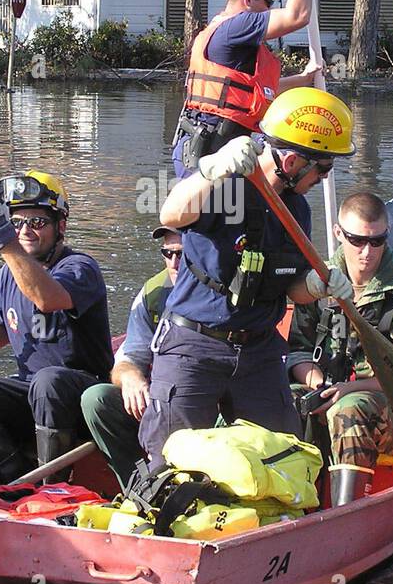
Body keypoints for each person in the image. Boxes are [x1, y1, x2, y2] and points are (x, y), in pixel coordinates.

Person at [139, 87, 357, 462]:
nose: (324, 176)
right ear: (292, 163)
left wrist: (316, 286)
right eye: (323, 167)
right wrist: (209, 171)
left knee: (284, 458)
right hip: (195, 346)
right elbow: (171, 215)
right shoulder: (225, 188)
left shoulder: (297, 211)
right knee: (171, 462)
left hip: (258, 349)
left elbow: (292, 287)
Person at [0, 171, 113, 483]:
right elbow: (0, 329)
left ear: (60, 226)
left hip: (83, 396)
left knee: (49, 382)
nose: (25, 231)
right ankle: (16, 481)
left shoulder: (80, 268)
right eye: (17, 223)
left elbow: (46, 298)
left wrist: (3, 239)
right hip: (33, 391)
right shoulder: (11, 273)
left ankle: (53, 487)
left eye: (37, 223)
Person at [289, 191, 393, 507]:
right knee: (285, 401)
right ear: (338, 234)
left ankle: (347, 513)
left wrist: (349, 389)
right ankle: (291, 502)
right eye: (357, 240)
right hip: (331, 388)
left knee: (349, 409)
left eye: (377, 241)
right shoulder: (318, 284)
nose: (367, 252)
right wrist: (318, 386)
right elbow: (298, 352)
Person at [172, 0, 323, 178]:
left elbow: (253, 91)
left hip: (219, 145)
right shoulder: (237, 26)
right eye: (269, 2)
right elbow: (298, 16)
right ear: (249, 0)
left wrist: (302, 80)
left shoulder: (230, 34)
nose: (271, 10)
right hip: (211, 150)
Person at [80, 226, 183, 485]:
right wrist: (131, 378)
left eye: (182, 254)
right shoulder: (152, 293)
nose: (173, 262)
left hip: (205, 397)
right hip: (159, 397)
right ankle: (141, 489)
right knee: (97, 399)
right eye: (167, 253)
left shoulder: (225, 289)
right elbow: (128, 356)